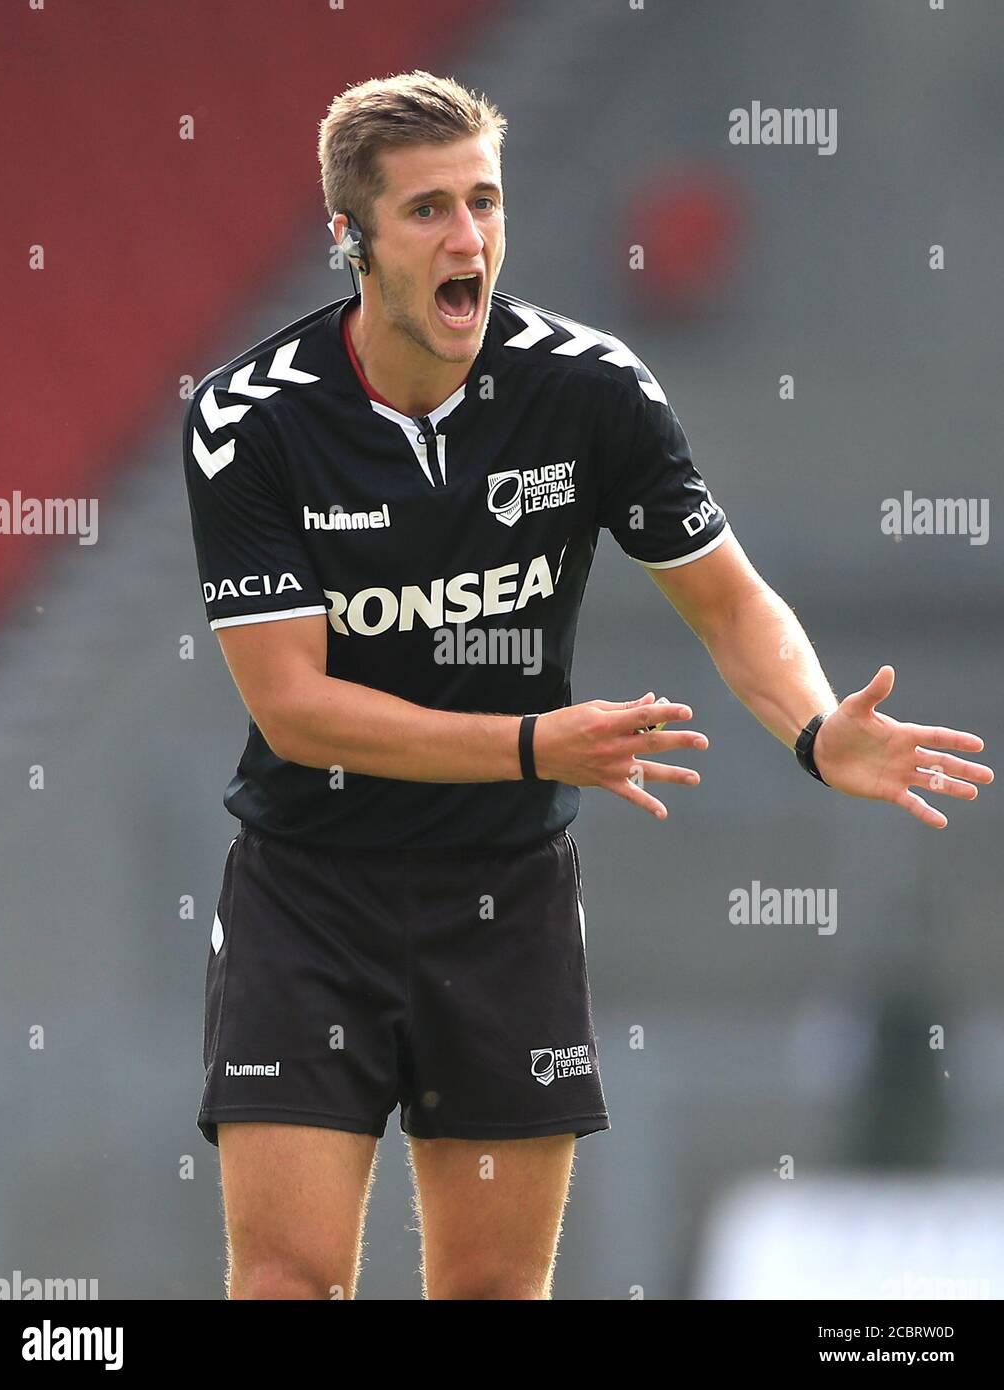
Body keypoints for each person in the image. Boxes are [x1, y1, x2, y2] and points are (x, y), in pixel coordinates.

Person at [182, 70, 993, 1300]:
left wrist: (816, 724)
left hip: (502, 902)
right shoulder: (252, 421)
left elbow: (732, 605)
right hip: (312, 897)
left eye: (486, 202)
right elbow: (293, 710)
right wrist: (529, 744)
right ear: (350, 237)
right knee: (290, 1282)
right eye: (428, 211)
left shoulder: (590, 388)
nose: (470, 239)